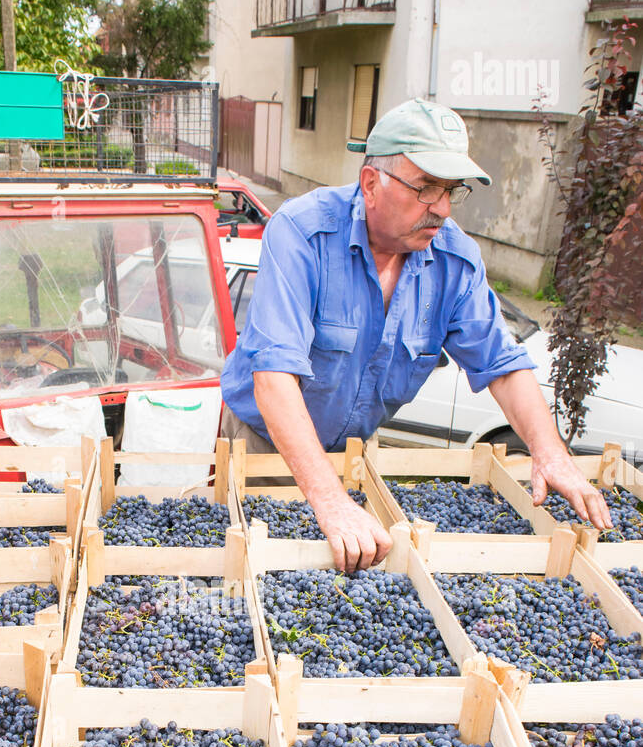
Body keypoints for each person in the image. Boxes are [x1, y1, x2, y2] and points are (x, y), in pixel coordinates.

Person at [220, 97, 612, 573]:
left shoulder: (455, 262)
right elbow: (274, 379)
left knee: (345, 585)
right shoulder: (302, 234)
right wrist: (330, 500)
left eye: (451, 191)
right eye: (426, 188)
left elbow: (503, 367)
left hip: (354, 450)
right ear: (371, 183)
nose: (442, 209)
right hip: (264, 444)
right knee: (261, 576)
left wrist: (550, 452)